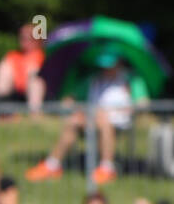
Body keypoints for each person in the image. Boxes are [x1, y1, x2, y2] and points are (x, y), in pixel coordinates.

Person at [26, 51, 145, 185]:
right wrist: (73, 105)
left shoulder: (131, 80)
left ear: (119, 64)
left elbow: (143, 103)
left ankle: (107, 168)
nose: (105, 69)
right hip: (94, 117)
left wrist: (128, 108)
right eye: (103, 66)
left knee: (103, 119)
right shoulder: (94, 79)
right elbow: (73, 98)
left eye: (109, 65)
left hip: (119, 120)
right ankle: (52, 164)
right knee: (74, 121)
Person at [0, 24, 45, 109]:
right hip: (14, 92)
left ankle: (35, 113)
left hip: (39, 94)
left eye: (30, 37)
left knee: (34, 76)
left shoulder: (43, 56)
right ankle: (2, 106)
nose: (26, 40)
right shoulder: (13, 56)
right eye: (23, 37)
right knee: (4, 68)